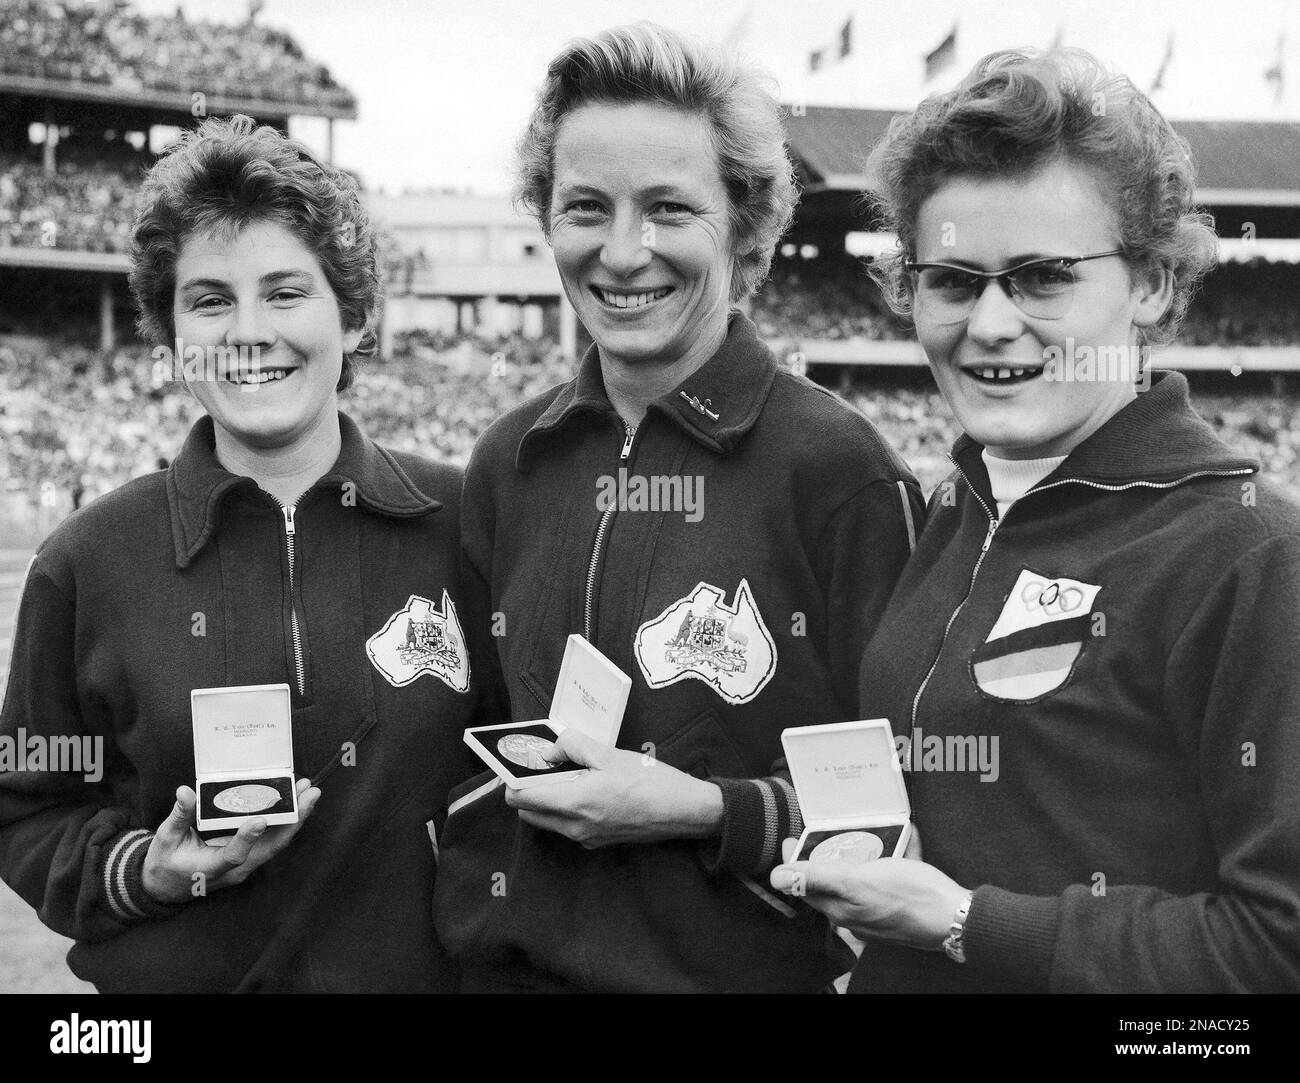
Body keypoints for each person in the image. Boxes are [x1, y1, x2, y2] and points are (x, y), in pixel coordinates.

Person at [770, 47, 1300, 992]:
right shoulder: (957, 506)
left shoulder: (1252, 556)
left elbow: (1275, 952)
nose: (991, 322)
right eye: (954, 279)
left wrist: (970, 926)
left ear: (1151, 285)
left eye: (1044, 276)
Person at [432, 22, 924, 993]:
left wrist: (705, 810)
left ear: (745, 227)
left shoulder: (840, 472)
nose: (623, 252)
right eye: (586, 207)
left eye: (667, 208)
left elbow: (918, 786)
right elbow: (471, 749)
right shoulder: (505, 463)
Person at [0, 115, 484, 992]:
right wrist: (149, 867)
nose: (248, 330)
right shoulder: (83, 561)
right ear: (171, 331)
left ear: (355, 316)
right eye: (211, 299)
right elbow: (29, 809)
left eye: (286, 292)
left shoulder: (467, 521)